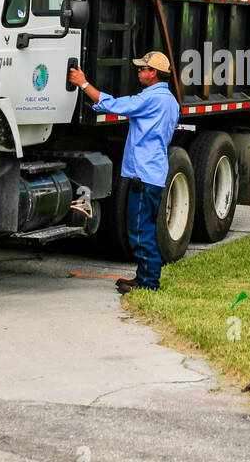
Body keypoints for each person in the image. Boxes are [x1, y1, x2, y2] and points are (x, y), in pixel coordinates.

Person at [68, 51, 180, 294]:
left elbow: (114, 105)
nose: (138, 72)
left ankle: (149, 284)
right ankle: (143, 278)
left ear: (154, 73)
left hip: (143, 175)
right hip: (154, 174)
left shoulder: (151, 99)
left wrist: (83, 83)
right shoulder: (170, 100)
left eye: (142, 69)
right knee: (145, 227)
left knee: (140, 231)